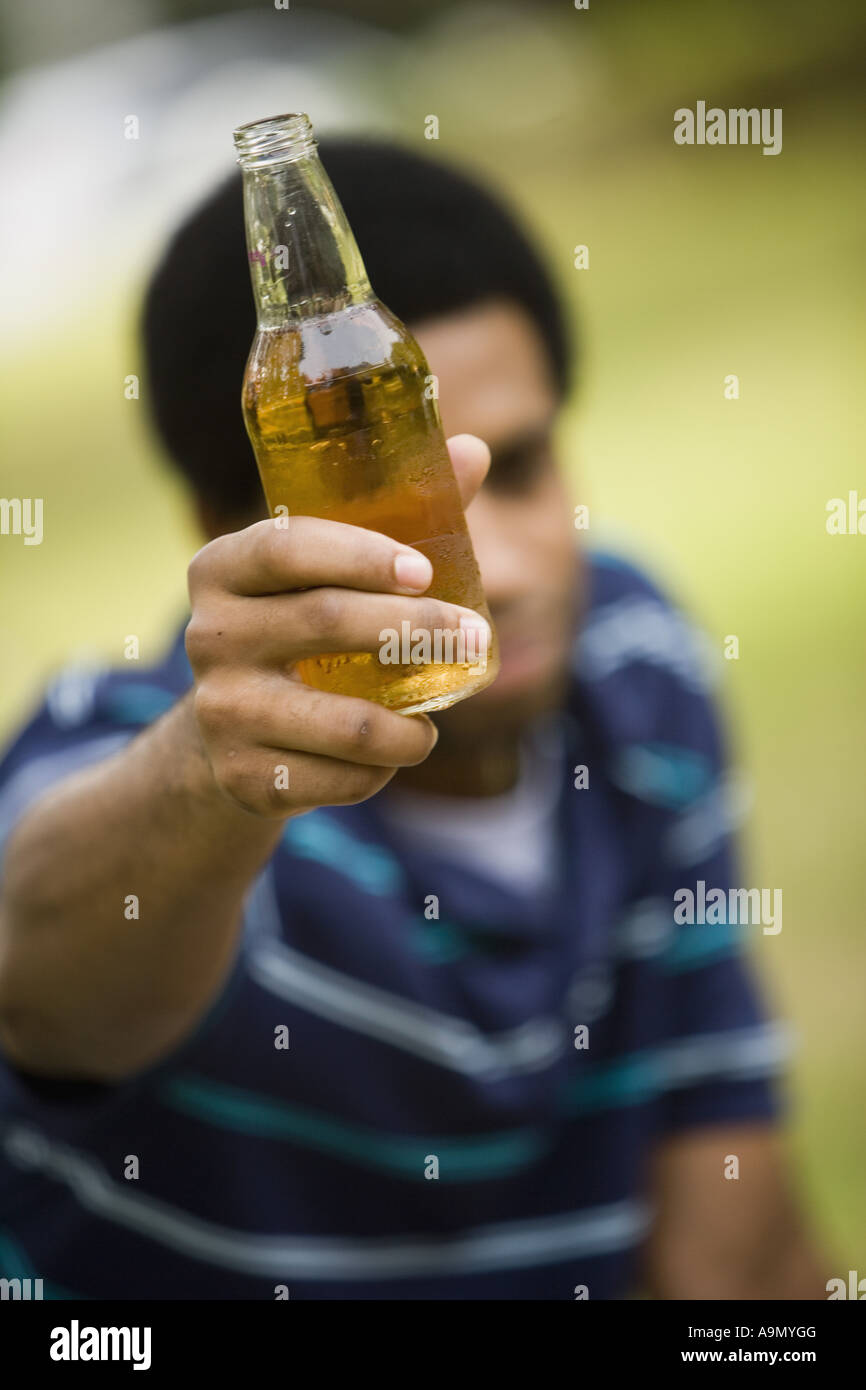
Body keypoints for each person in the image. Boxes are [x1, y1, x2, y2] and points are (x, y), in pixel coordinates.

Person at [0, 140, 825, 1300]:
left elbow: (723, 1194)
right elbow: (42, 983)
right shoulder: (147, 751)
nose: (500, 567)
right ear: (222, 518)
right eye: (395, 498)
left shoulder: (635, 657)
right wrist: (209, 774)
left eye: (520, 467)